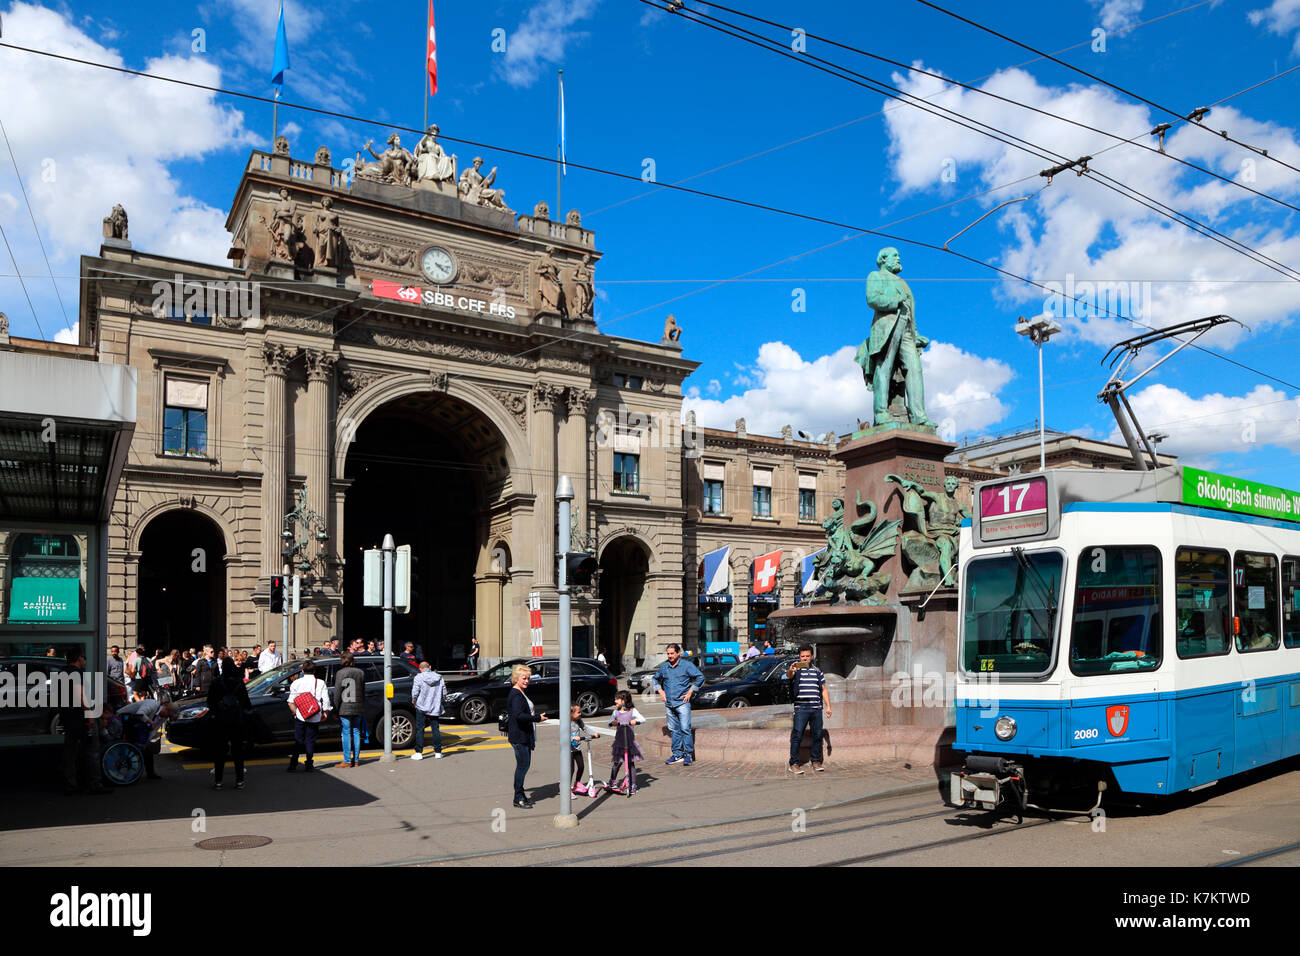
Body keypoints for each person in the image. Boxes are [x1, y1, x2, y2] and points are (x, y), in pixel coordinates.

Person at [60, 650, 111, 795]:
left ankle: (70, 785)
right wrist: (89, 716)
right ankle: (94, 784)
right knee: (92, 751)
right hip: (80, 717)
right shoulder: (78, 673)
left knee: (69, 752)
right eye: (84, 658)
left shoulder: (60, 673)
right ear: (78, 658)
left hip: (67, 717)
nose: (85, 661)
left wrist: (62, 713)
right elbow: (81, 694)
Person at [653, 644, 704, 766]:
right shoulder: (664, 667)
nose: (670, 656)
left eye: (672, 653)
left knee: (685, 729)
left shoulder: (687, 666)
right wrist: (661, 691)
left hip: (682, 703)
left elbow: (700, 677)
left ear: (678, 653)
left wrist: (690, 692)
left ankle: (688, 754)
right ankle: (677, 754)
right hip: (669, 704)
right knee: (674, 730)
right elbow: (655, 679)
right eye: (668, 654)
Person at [783, 645, 832, 773]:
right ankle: (793, 763)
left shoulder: (817, 671)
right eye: (802, 656)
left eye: (807, 656)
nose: (804, 658)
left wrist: (828, 707)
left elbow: (823, 690)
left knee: (817, 735)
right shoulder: (796, 670)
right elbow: (789, 675)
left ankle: (816, 761)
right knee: (797, 735)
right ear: (799, 657)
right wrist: (791, 669)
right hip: (801, 708)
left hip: (816, 708)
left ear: (812, 656)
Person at [506, 664, 547, 808]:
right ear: (516, 678)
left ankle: (520, 794)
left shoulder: (519, 692)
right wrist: (537, 718)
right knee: (522, 766)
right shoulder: (516, 694)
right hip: (520, 736)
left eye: (528, 678)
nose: (527, 681)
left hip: (521, 735)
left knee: (523, 765)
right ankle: (518, 797)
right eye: (524, 678)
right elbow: (519, 716)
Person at [115, 686, 174, 781]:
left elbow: (153, 731)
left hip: (137, 725)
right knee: (132, 746)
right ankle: (131, 773)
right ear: (166, 709)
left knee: (147, 750)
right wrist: (149, 721)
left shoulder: (163, 716)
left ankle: (150, 773)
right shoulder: (152, 704)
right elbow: (140, 713)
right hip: (124, 719)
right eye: (168, 716)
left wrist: (146, 743)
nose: (166, 718)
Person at [208, 664, 251, 789]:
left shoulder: (216, 682)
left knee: (220, 752)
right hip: (237, 721)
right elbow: (246, 702)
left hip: (221, 721)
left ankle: (218, 782)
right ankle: (239, 781)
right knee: (238, 751)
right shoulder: (239, 683)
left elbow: (210, 701)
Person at [287, 660, 331, 772]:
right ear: (314, 671)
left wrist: (295, 713)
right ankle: (309, 764)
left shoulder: (296, 683)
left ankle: (293, 764)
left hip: (301, 715)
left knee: (298, 740)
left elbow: (290, 702)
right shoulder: (320, 682)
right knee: (310, 740)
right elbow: (326, 699)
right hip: (315, 715)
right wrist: (325, 712)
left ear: (302, 671)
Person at [607, 690, 645, 793]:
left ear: (623, 700)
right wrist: (613, 723)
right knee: (617, 763)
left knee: (631, 764)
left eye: (617, 699)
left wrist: (635, 721)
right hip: (619, 742)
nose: (615, 701)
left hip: (630, 742)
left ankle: (633, 785)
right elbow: (609, 722)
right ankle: (612, 781)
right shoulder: (616, 712)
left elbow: (643, 719)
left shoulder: (632, 711)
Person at [410, 661, 446, 760]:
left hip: (421, 706)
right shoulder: (439, 677)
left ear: (420, 669)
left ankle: (419, 753)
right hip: (435, 706)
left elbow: (415, 692)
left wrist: (414, 701)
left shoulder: (418, 677)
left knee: (420, 729)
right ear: (429, 667)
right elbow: (444, 692)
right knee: (435, 729)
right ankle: (438, 752)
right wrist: (440, 701)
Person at [335, 652, 365, 768]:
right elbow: (363, 691)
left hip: (344, 707)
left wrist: (336, 708)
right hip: (357, 706)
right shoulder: (360, 672)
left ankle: (347, 761)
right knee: (356, 732)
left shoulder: (340, 673)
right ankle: (356, 760)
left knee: (346, 733)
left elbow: (337, 692)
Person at [568, 703, 600, 795]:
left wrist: (594, 733)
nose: (580, 714)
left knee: (581, 766)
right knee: (571, 770)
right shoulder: (567, 723)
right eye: (578, 712)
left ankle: (577, 783)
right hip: (568, 750)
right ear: (571, 713)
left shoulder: (578, 721)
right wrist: (572, 738)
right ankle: (567, 788)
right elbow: (564, 735)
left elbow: (585, 728)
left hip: (576, 748)